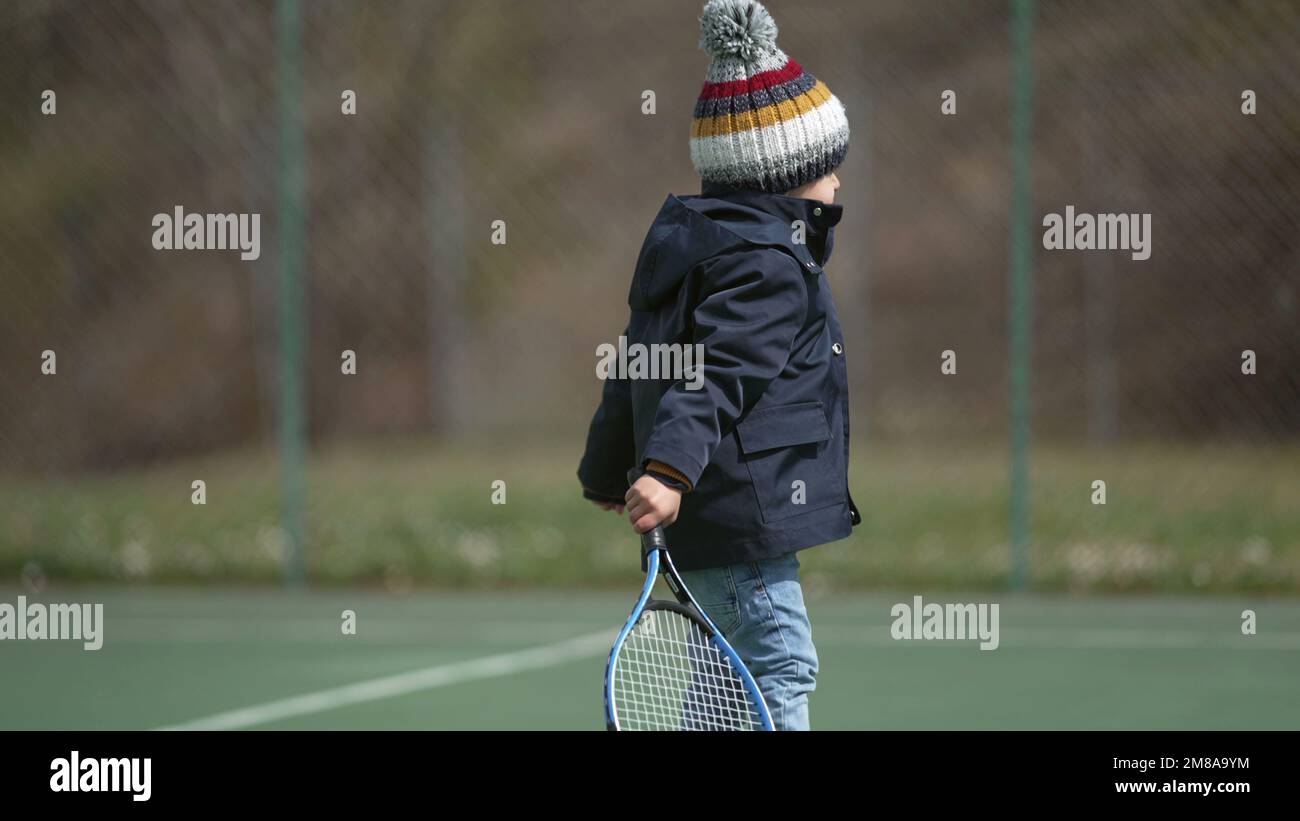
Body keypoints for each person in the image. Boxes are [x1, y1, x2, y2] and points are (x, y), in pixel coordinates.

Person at [577, 0, 858, 731]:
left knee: (724, 688)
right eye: (829, 171)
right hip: (741, 517)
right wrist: (666, 471)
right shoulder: (768, 266)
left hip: (705, 513)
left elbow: (637, 367)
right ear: (787, 177)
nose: (837, 188)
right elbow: (717, 373)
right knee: (776, 667)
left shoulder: (689, 252)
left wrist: (614, 470)